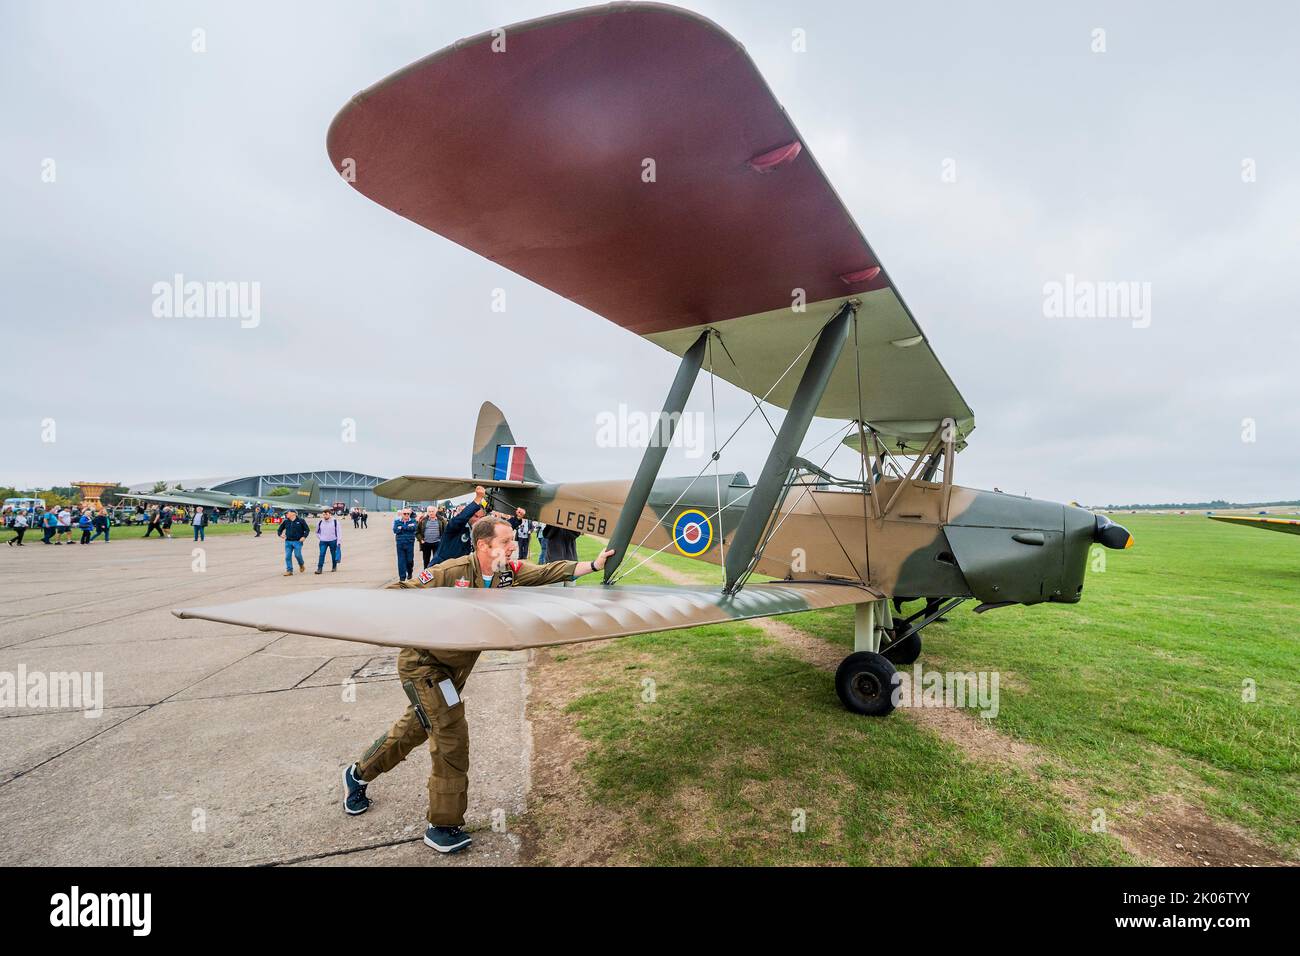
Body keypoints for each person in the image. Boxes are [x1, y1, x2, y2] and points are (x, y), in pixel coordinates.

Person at [342, 516, 616, 853]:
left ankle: (357, 775)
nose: (512, 546)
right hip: (424, 667)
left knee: (413, 730)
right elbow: (395, 595)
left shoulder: (506, 574)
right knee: (450, 736)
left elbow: (547, 572)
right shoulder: (450, 572)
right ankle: (442, 825)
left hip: (454, 671)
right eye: (505, 542)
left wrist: (593, 564)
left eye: (512, 540)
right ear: (483, 545)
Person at [277, 509, 310, 575]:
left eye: (287, 513)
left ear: (293, 514)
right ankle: (289, 570)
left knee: (297, 555)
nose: (286, 514)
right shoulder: (286, 521)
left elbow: (307, 530)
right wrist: (281, 535)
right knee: (287, 556)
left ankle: (301, 564)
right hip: (288, 542)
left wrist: (304, 537)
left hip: (297, 542)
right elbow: (279, 530)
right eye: (286, 514)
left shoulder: (301, 521)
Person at [392, 508, 418, 582]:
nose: (406, 515)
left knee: (409, 560)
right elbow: (395, 530)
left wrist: (402, 528)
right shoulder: (397, 521)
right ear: (401, 514)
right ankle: (402, 578)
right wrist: (407, 528)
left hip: (410, 543)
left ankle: (410, 572)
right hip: (400, 543)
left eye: (408, 514)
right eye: (405, 513)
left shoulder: (413, 521)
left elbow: (414, 528)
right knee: (401, 561)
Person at [315, 509, 342, 574]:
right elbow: (317, 532)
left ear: (330, 514)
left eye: (326, 514)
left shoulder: (335, 522)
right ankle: (319, 568)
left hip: (333, 541)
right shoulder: (320, 522)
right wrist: (320, 537)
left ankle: (334, 566)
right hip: (323, 541)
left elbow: (339, 533)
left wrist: (339, 542)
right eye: (323, 514)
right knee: (321, 554)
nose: (324, 516)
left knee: (333, 555)